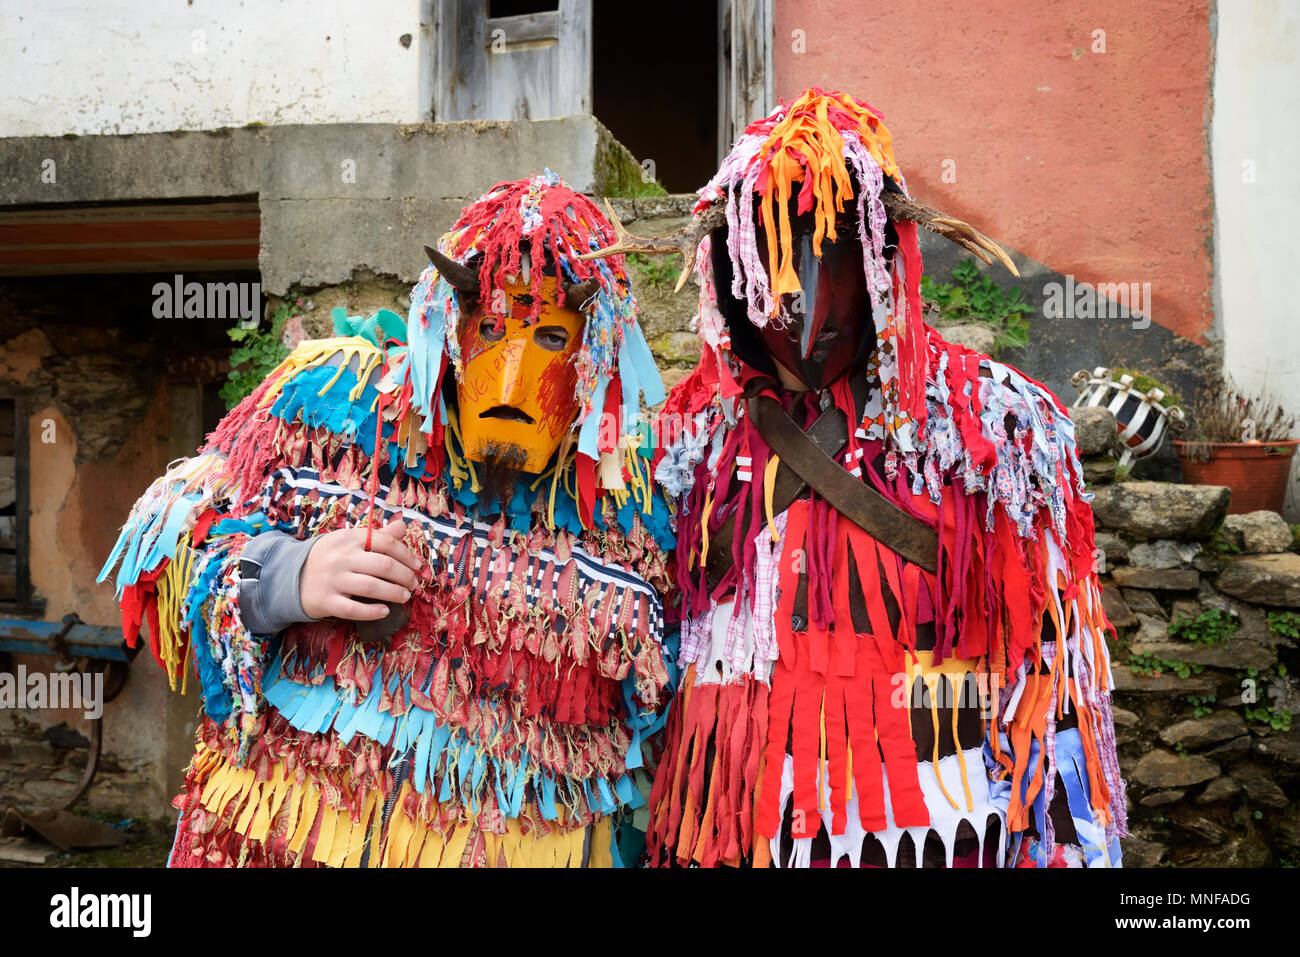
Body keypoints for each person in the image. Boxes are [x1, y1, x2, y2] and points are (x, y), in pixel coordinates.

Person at [589, 89, 1127, 868]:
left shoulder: (998, 431)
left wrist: (1068, 850)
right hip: (719, 835)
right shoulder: (684, 440)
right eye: (769, 248)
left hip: (930, 837)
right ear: (726, 265)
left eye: (835, 243)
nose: (800, 293)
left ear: (885, 252)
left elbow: (1056, 688)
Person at [99, 171, 677, 868]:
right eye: (490, 327)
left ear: (597, 352)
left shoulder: (634, 506)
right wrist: (287, 574)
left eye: (552, 337)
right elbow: (162, 544)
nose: (514, 372)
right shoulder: (327, 405)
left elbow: (667, 722)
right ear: (447, 323)